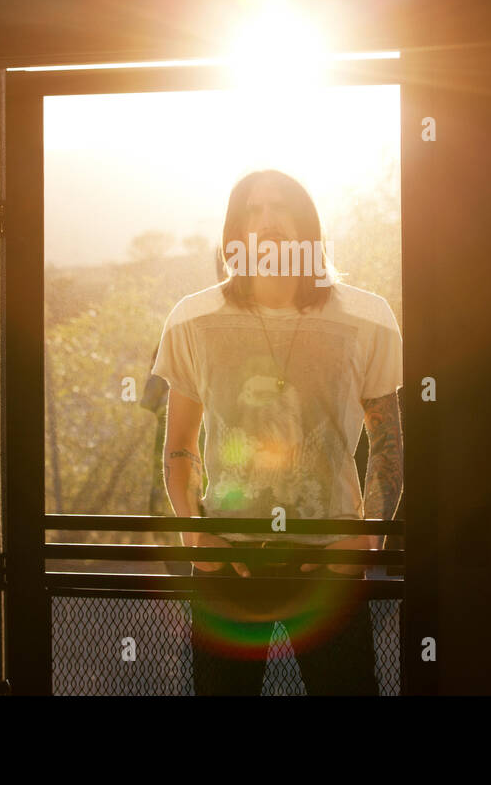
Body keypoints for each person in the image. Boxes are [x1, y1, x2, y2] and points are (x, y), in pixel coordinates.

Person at [151, 169, 404, 695]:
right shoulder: (192, 319)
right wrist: (195, 532)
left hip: (330, 566)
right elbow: (179, 445)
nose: (267, 221)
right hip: (229, 565)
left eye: (281, 206)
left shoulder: (368, 317)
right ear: (233, 232)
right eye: (252, 209)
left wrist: (368, 536)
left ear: (307, 224)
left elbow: (388, 446)